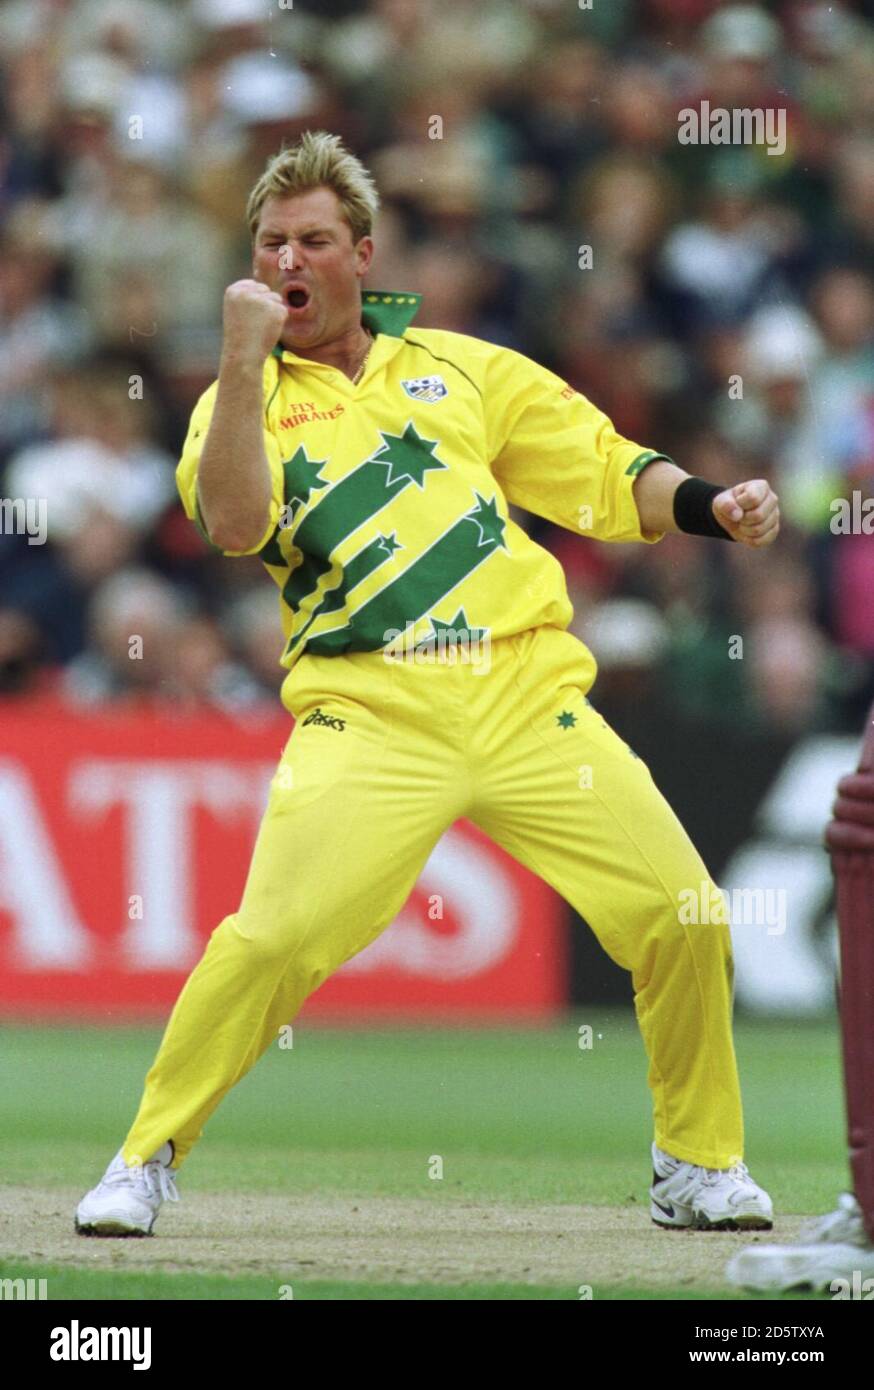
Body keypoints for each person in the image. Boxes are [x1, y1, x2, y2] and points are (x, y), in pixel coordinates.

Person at [75, 131, 779, 1239]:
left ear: (363, 253)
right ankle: (144, 1158)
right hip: (369, 707)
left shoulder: (460, 368)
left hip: (523, 693)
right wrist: (240, 360)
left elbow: (602, 471)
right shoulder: (235, 396)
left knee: (681, 912)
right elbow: (231, 523)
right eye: (269, 244)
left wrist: (709, 504)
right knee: (271, 941)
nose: (287, 259)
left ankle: (694, 1163)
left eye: (312, 240)